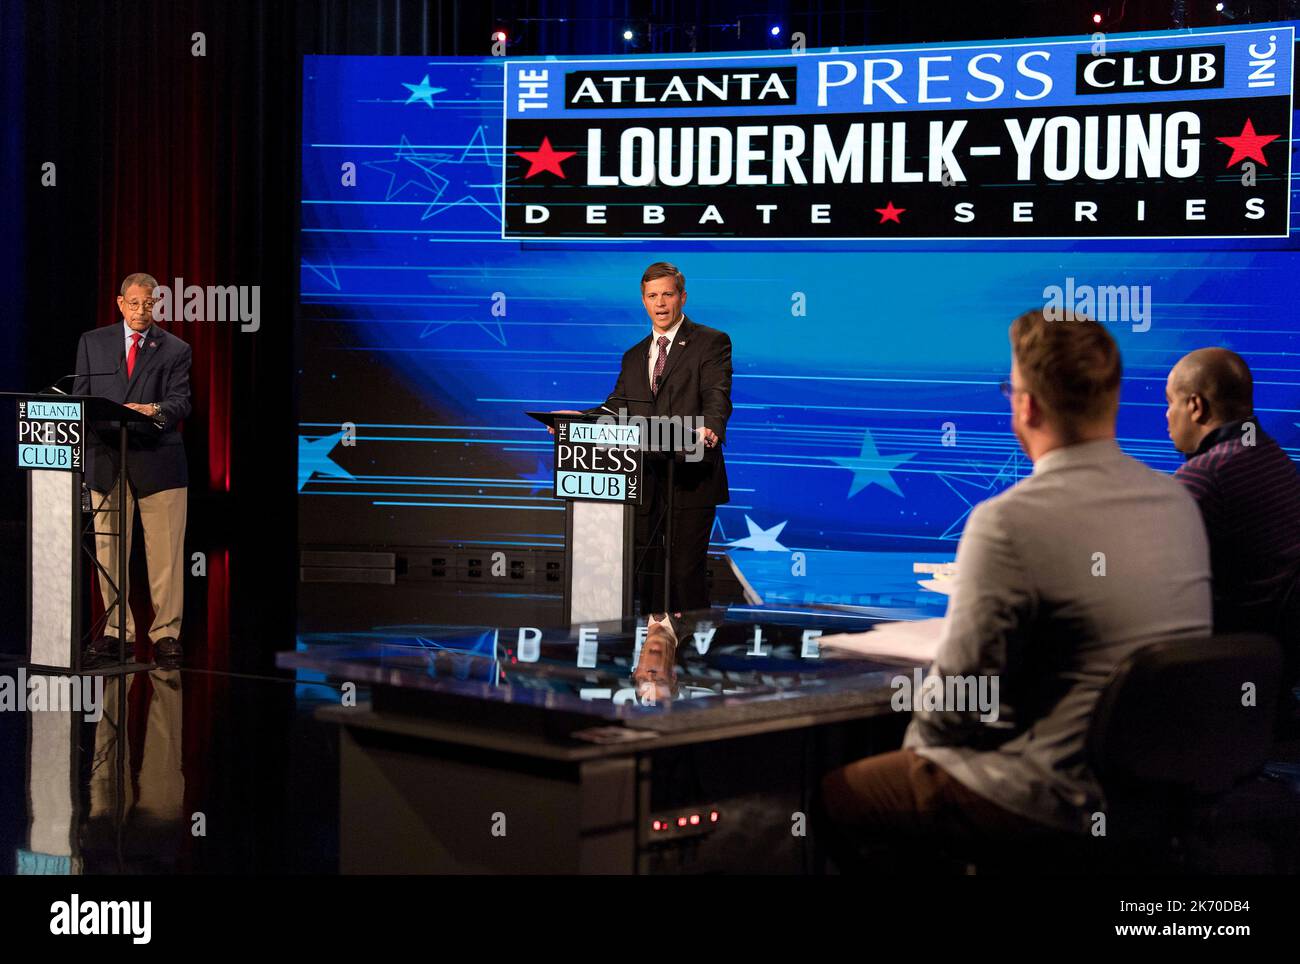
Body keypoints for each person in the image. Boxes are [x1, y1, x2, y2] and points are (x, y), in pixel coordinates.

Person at [819, 310, 1211, 856]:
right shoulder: (1179, 504)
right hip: (1152, 797)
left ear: (1025, 405)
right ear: (1112, 400)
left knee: (830, 797)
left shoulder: (1008, 521)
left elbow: (956, 704)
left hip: (1043, 796)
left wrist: (918, 756)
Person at [557, 262, 732, 613]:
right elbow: (617, 407)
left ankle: (693, 655)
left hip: (691, 474)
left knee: (685, 573)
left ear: (682, 297)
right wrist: (582, 419)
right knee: (648, 575)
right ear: (643, 300)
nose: (661, 303)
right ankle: (651, 659)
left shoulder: (710, 342)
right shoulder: (634, 355)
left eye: (668, 294)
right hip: (645, 479)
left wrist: (711, 427)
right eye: (653, 296)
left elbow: (717, 393)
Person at [74, 272, 192, 664]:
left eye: (150, 303)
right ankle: (116, 632)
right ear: (120, 303)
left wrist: (154, 410)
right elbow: (80, 399)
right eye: (135, 302)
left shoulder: (175, 348)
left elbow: (180, 402)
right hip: (106, 459)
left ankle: (166, 634)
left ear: (157, 305)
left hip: (158, 459)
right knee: (108, 550)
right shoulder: (93, 342)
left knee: (166, 556)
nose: (142, 310)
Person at [1165, 348, 1300, 653]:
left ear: (1196, 406)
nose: (1167, 415)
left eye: (1170, 402)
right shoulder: (1275, 457)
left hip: (1218, 663)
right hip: (1271, 661)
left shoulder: (1204, 478)